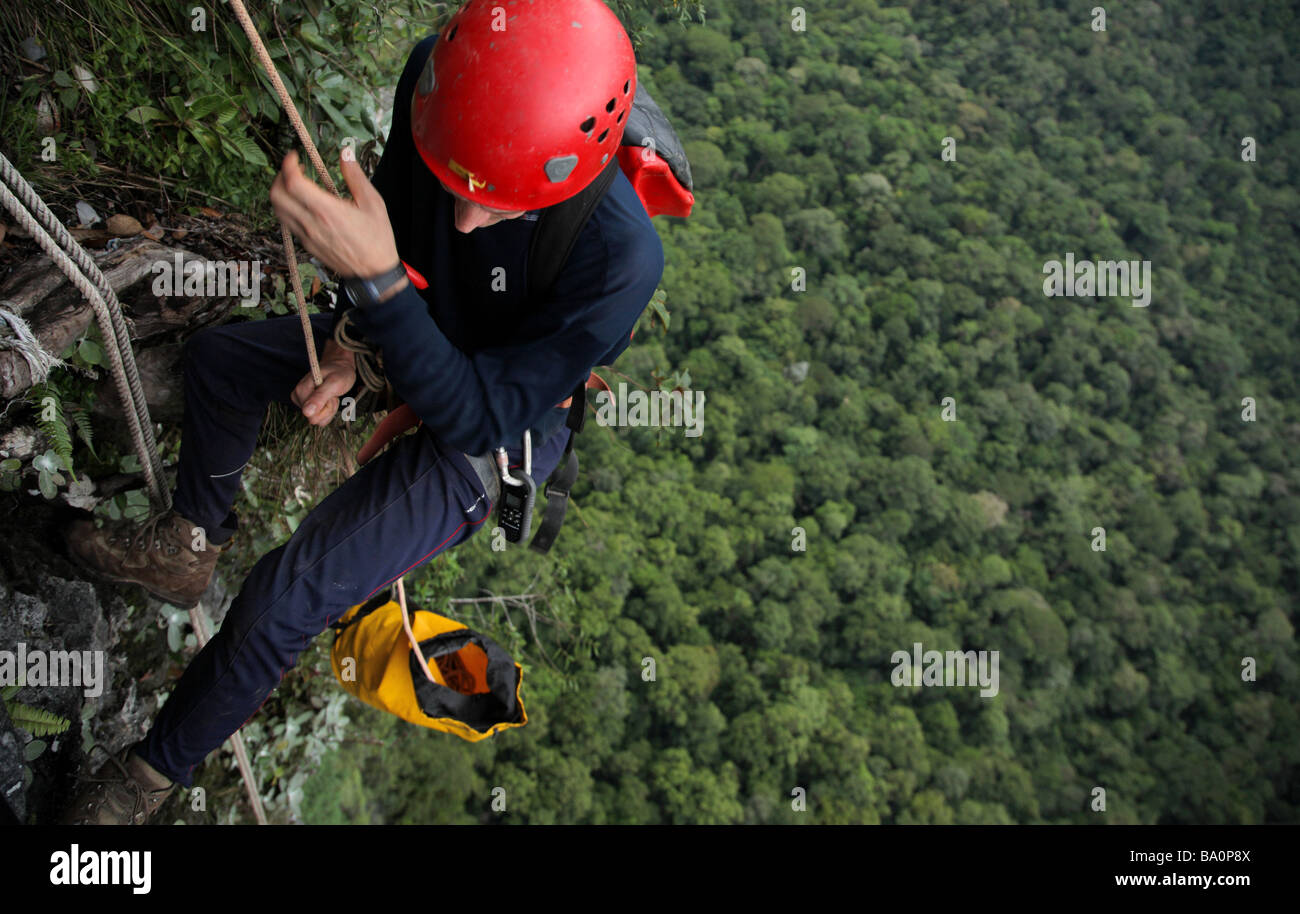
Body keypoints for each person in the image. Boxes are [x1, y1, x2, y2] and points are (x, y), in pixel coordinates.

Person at [61, 0, 664, 824]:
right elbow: (404, 228)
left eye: (497, 206)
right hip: (418, 324)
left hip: (496, 421)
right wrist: (351, 342)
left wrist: (379, 288)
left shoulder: (618, 259)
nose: (466, 218)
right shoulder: (437, 77)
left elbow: (476, 418)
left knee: (285, 598)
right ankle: (187, 543)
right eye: (457, 182)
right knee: (219, 364)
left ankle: (143, 780)